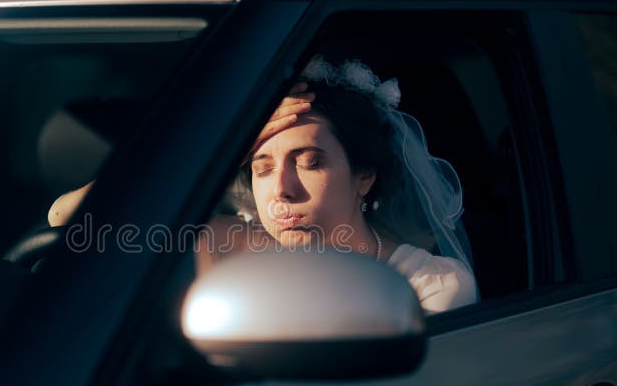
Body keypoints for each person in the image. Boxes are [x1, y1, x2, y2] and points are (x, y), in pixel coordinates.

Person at [49, 56, 478, 313]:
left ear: (364, 177)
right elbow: (67, 217)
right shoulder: (232, 244)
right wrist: (209, 151)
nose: (282, 191)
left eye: (310, 163)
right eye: (261, 167)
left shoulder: (432, 285)